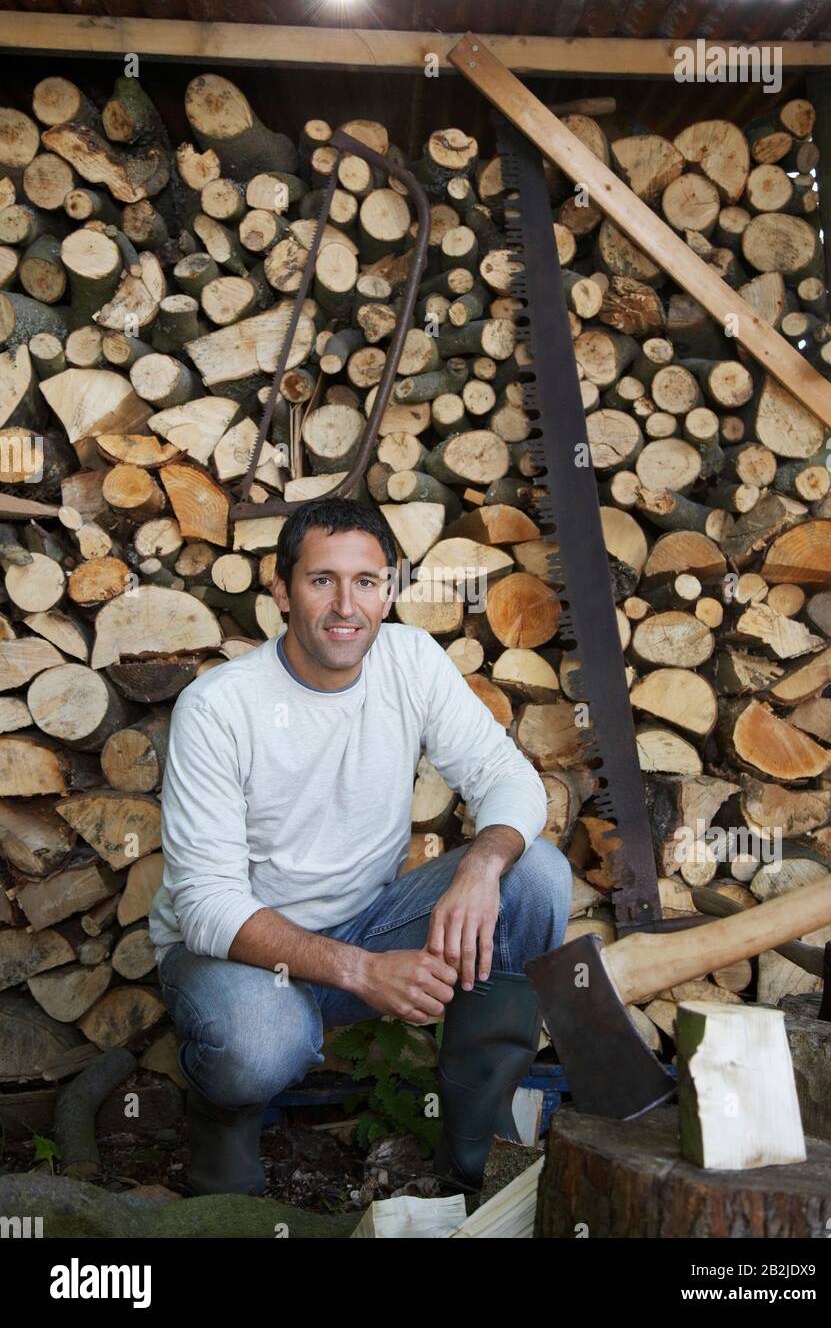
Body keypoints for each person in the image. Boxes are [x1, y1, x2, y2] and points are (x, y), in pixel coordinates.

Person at [149, 497, 572, 1196]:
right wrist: (364, 974)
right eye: (322, 581)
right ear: (281, 591)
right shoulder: (219, 707)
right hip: (239, 960)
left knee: (537, 873)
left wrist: (481, 866)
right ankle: (223, 1118)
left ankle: (476, 1153)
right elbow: (207, 906)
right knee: (258, 1042)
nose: (346, 605)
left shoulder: (410, 659)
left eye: (366, 582)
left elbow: (507, 778)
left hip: (367, 928)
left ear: (388, 590)